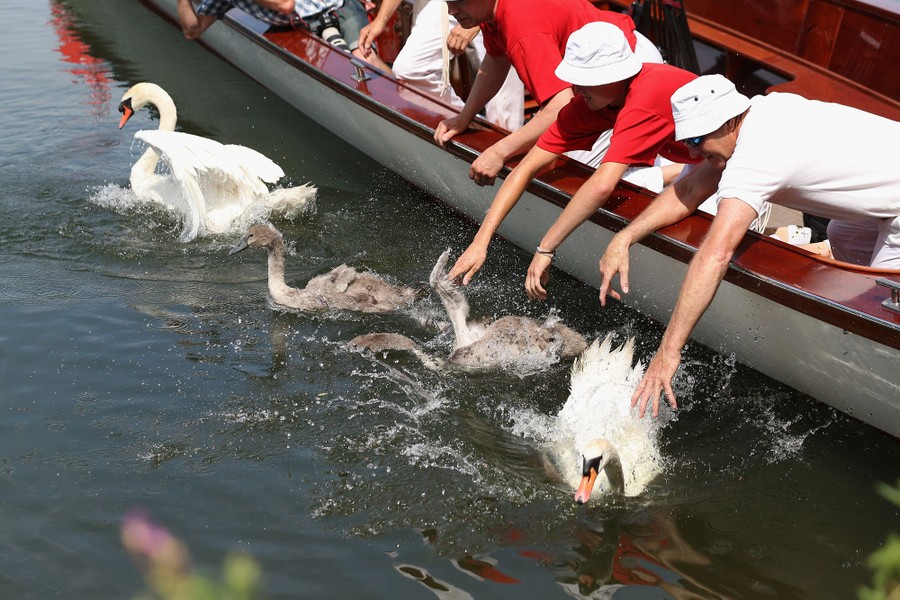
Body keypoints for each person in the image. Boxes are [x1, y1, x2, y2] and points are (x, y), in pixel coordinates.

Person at [596, 74, 900, 418]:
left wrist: (668, 352)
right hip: (886, 195)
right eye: (687, 143)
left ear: (728, 122)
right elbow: (690, 191)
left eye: (697, 140)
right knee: (841, 235)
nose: (692, 153)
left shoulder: (756, 158)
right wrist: (625, 236)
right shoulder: (755, 114)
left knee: (885, 303)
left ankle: (878, 385)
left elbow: (717, 252)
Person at [447, 23, 697, 288]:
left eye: (584, 81)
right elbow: (527, 167)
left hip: (728, 164)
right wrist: (480, 241)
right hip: (695, 162)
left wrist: (545, 249)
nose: (576, 90)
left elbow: (601, 186)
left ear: (612, 76)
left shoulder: (643, 100)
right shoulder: (590, 103)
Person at [432, 0, 663, 187]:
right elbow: (496, 59)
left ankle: (673, 177)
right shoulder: (493, 12)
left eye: (459, 1)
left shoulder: (522, 25)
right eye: (448, 1)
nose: (451, 10)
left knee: (581, 178)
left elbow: (559, 106)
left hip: (624, 71)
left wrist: (498, 153)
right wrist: (465, 117)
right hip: (598, 77)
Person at [358, 0, 524, 130]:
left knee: (503, 107)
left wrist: (481, 18)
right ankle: (472, 126)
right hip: (446, 4)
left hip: (494, 4)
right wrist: (381, 20)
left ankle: (510, 153)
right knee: (410, 70)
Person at [177, 0, 391, 71]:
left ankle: (405, 99)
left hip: (339, 6)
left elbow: (285, 4)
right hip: (306, 23)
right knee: (346, 67)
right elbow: (192, 30)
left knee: (364, 61)